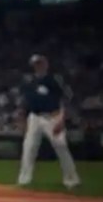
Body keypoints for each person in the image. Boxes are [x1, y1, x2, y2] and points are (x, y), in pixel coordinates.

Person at [17, 55, 81, 190]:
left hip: (53, 116)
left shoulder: (54, 79)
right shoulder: (29, 81)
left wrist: (62, 119)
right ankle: (24, 180)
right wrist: (22, 119)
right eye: (35, 64)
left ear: (46, 64)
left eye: (40, 63)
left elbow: (67, 99)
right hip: (34, 117)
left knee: (61, 146)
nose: (38, 66)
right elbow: (24, 101)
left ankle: (71, 179)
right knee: (29, 147)